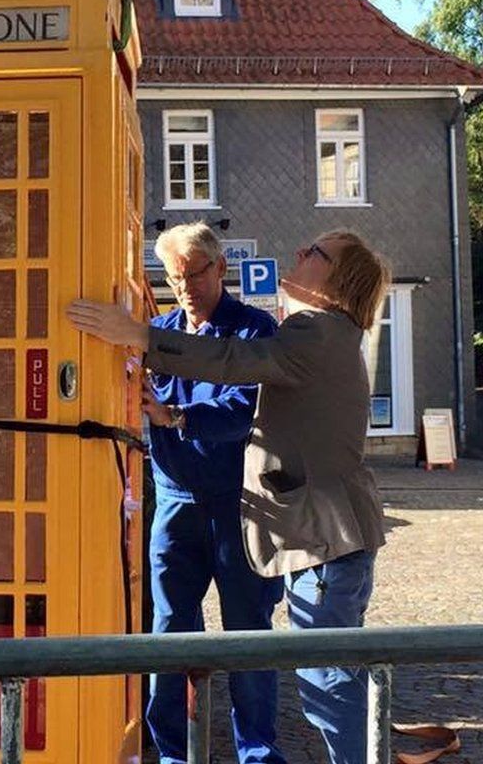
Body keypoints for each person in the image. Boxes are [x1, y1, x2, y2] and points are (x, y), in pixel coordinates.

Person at [67, 230, 391, 764]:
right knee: (318, 675)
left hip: (317, 538)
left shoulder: (308, 332)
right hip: (286, 527)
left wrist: (140, 338)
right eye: (174, 276)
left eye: (312, 253)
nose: (298, 253)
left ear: (336, 278)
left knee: (327, 683)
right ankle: (176, 750)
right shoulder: (324, 331)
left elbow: (231, 364)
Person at [142, 223, 284, 764]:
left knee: (248, 633)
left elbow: (245, 411)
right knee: (169, 633)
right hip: (173, 500)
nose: (186, 289)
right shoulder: (158, 332)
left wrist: (173, 415)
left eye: (195, 275)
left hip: (237, 503)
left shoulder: (253, 330)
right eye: (174, 280)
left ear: (220, 268)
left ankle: (258, 753)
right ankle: (175, 754)